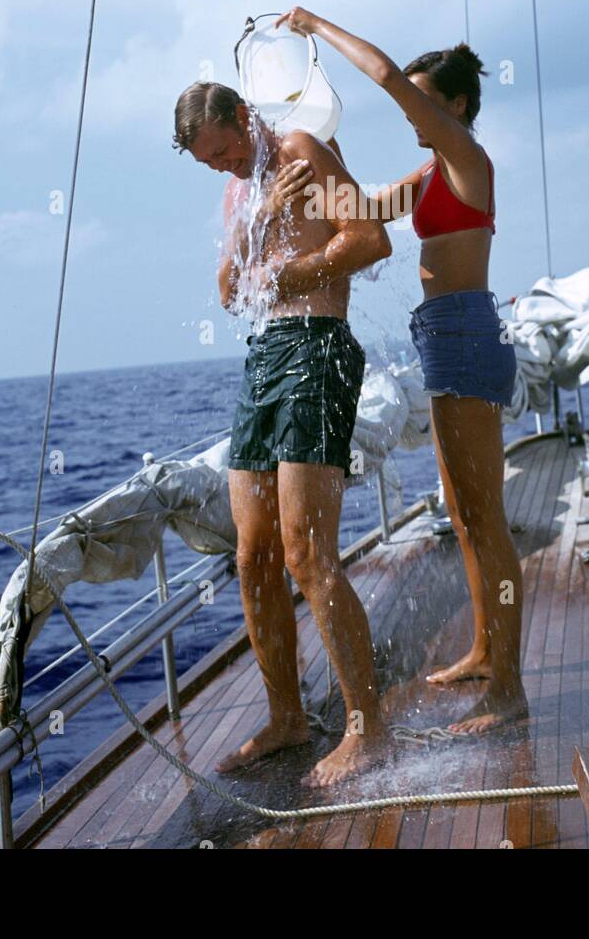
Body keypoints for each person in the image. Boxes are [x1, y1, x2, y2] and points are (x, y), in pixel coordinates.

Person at [274, 8, 525, 735]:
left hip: (467, 334)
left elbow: (383, 75)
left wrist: (316, 25)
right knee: (464, 515)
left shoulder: (467, 158)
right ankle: (484, 651)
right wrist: (318, 163)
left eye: (424, 102)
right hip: (442, 338)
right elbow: (363, 208)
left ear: (456, 106)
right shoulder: (433, 172)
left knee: (487, 520)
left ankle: (508, 691)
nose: (412, 115)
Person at [172, 80, 393, 786]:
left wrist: (293, 273)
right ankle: (286, 716)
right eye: (211, 162)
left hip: (318, 348)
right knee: (253, 555)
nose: (224, 166)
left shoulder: (302, 150)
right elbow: (229, 292)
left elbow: (371, 238)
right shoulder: (241, 193)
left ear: (245, 117)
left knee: (306, 553)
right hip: (265, 357)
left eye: (226, 151)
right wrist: (260, 214)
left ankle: (366, 727)